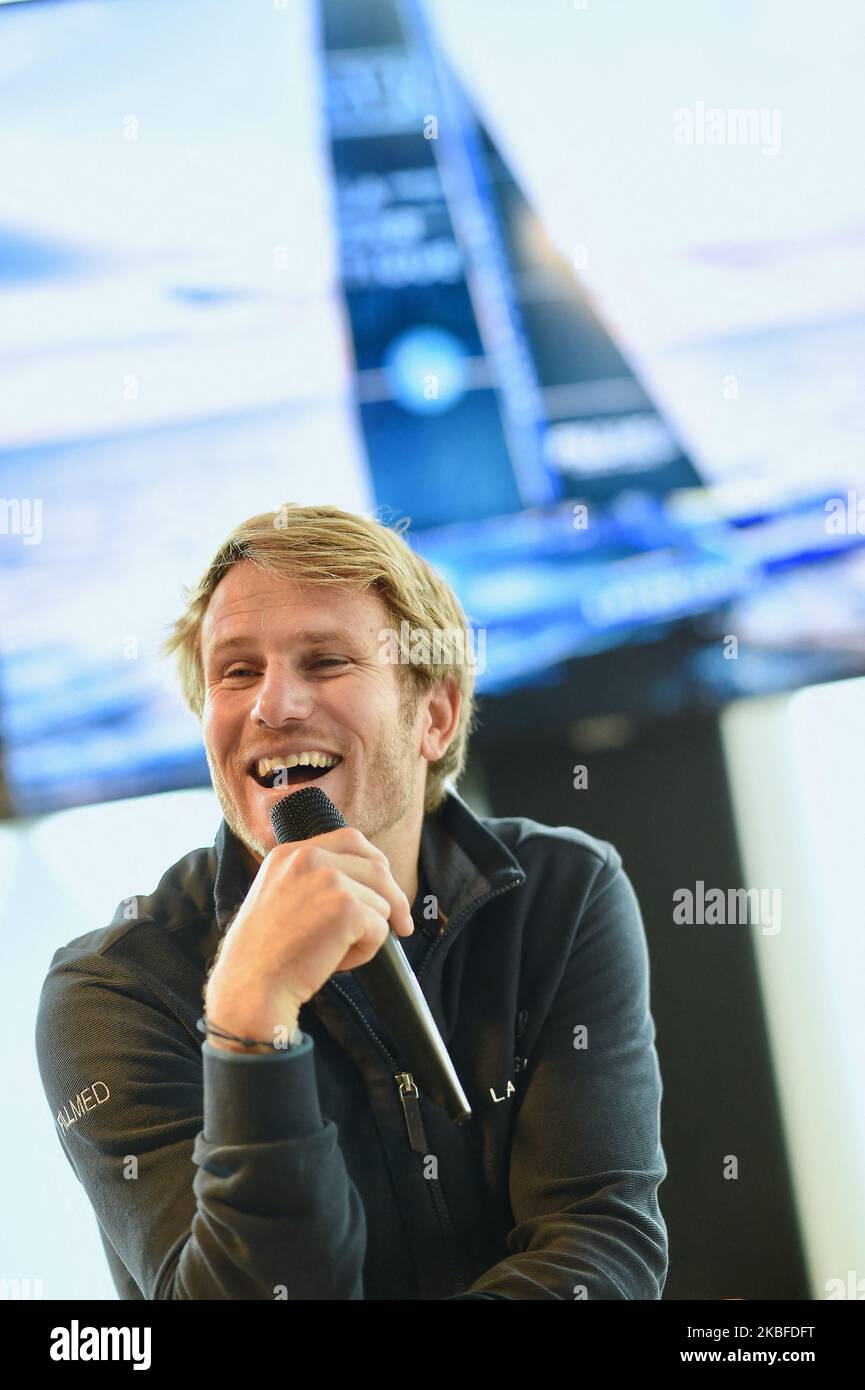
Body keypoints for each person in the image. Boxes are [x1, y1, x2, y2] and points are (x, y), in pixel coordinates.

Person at [35, 502, 668, 1300]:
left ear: (433, 714)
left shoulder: (561, 892)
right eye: (236, 672)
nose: (272, 706)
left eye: (326, 661)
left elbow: (599, 1243)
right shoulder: (112, 990)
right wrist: (248, 1017)